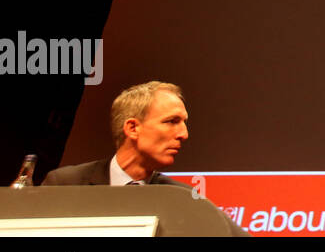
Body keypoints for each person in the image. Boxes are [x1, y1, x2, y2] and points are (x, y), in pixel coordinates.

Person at [42, 80, 250, 236]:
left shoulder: (184, 198)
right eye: (172, 121)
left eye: (184, 123)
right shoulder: (64, 184)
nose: (184, 134)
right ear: (133, 128)